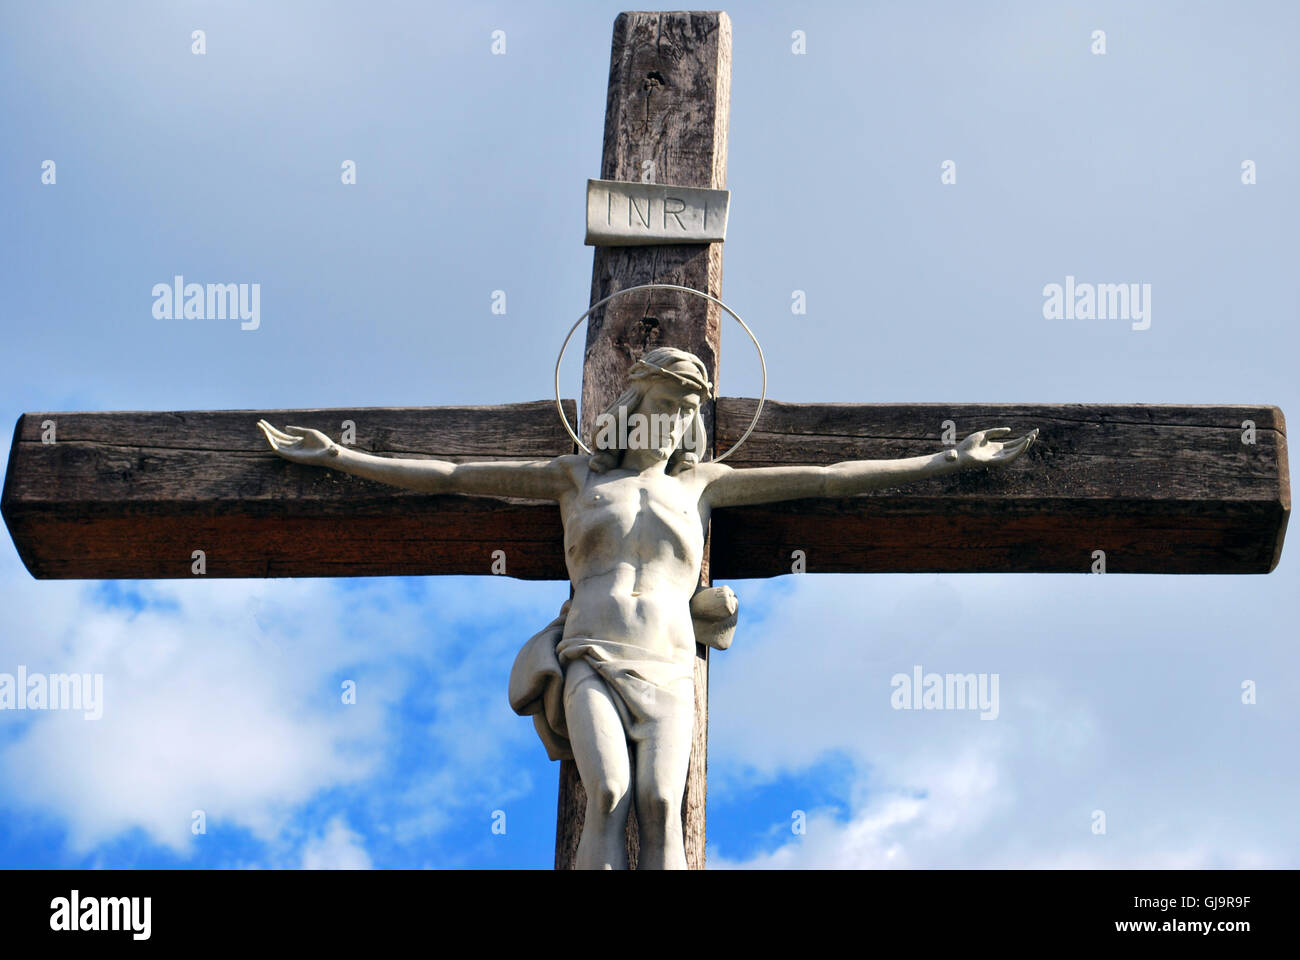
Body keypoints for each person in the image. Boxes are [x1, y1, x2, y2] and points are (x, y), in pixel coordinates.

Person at [259, 347, 1035, 869]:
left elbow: (828, 478)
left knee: (663, 801)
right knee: (610, 792)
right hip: (592, 654)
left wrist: (944, 460)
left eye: (681, 410)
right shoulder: (573, 479)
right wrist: (341, 457)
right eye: (658, 403)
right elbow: (453, 473)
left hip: (668, 662)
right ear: (633, 406)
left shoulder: (702, 486)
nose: (667, 420)